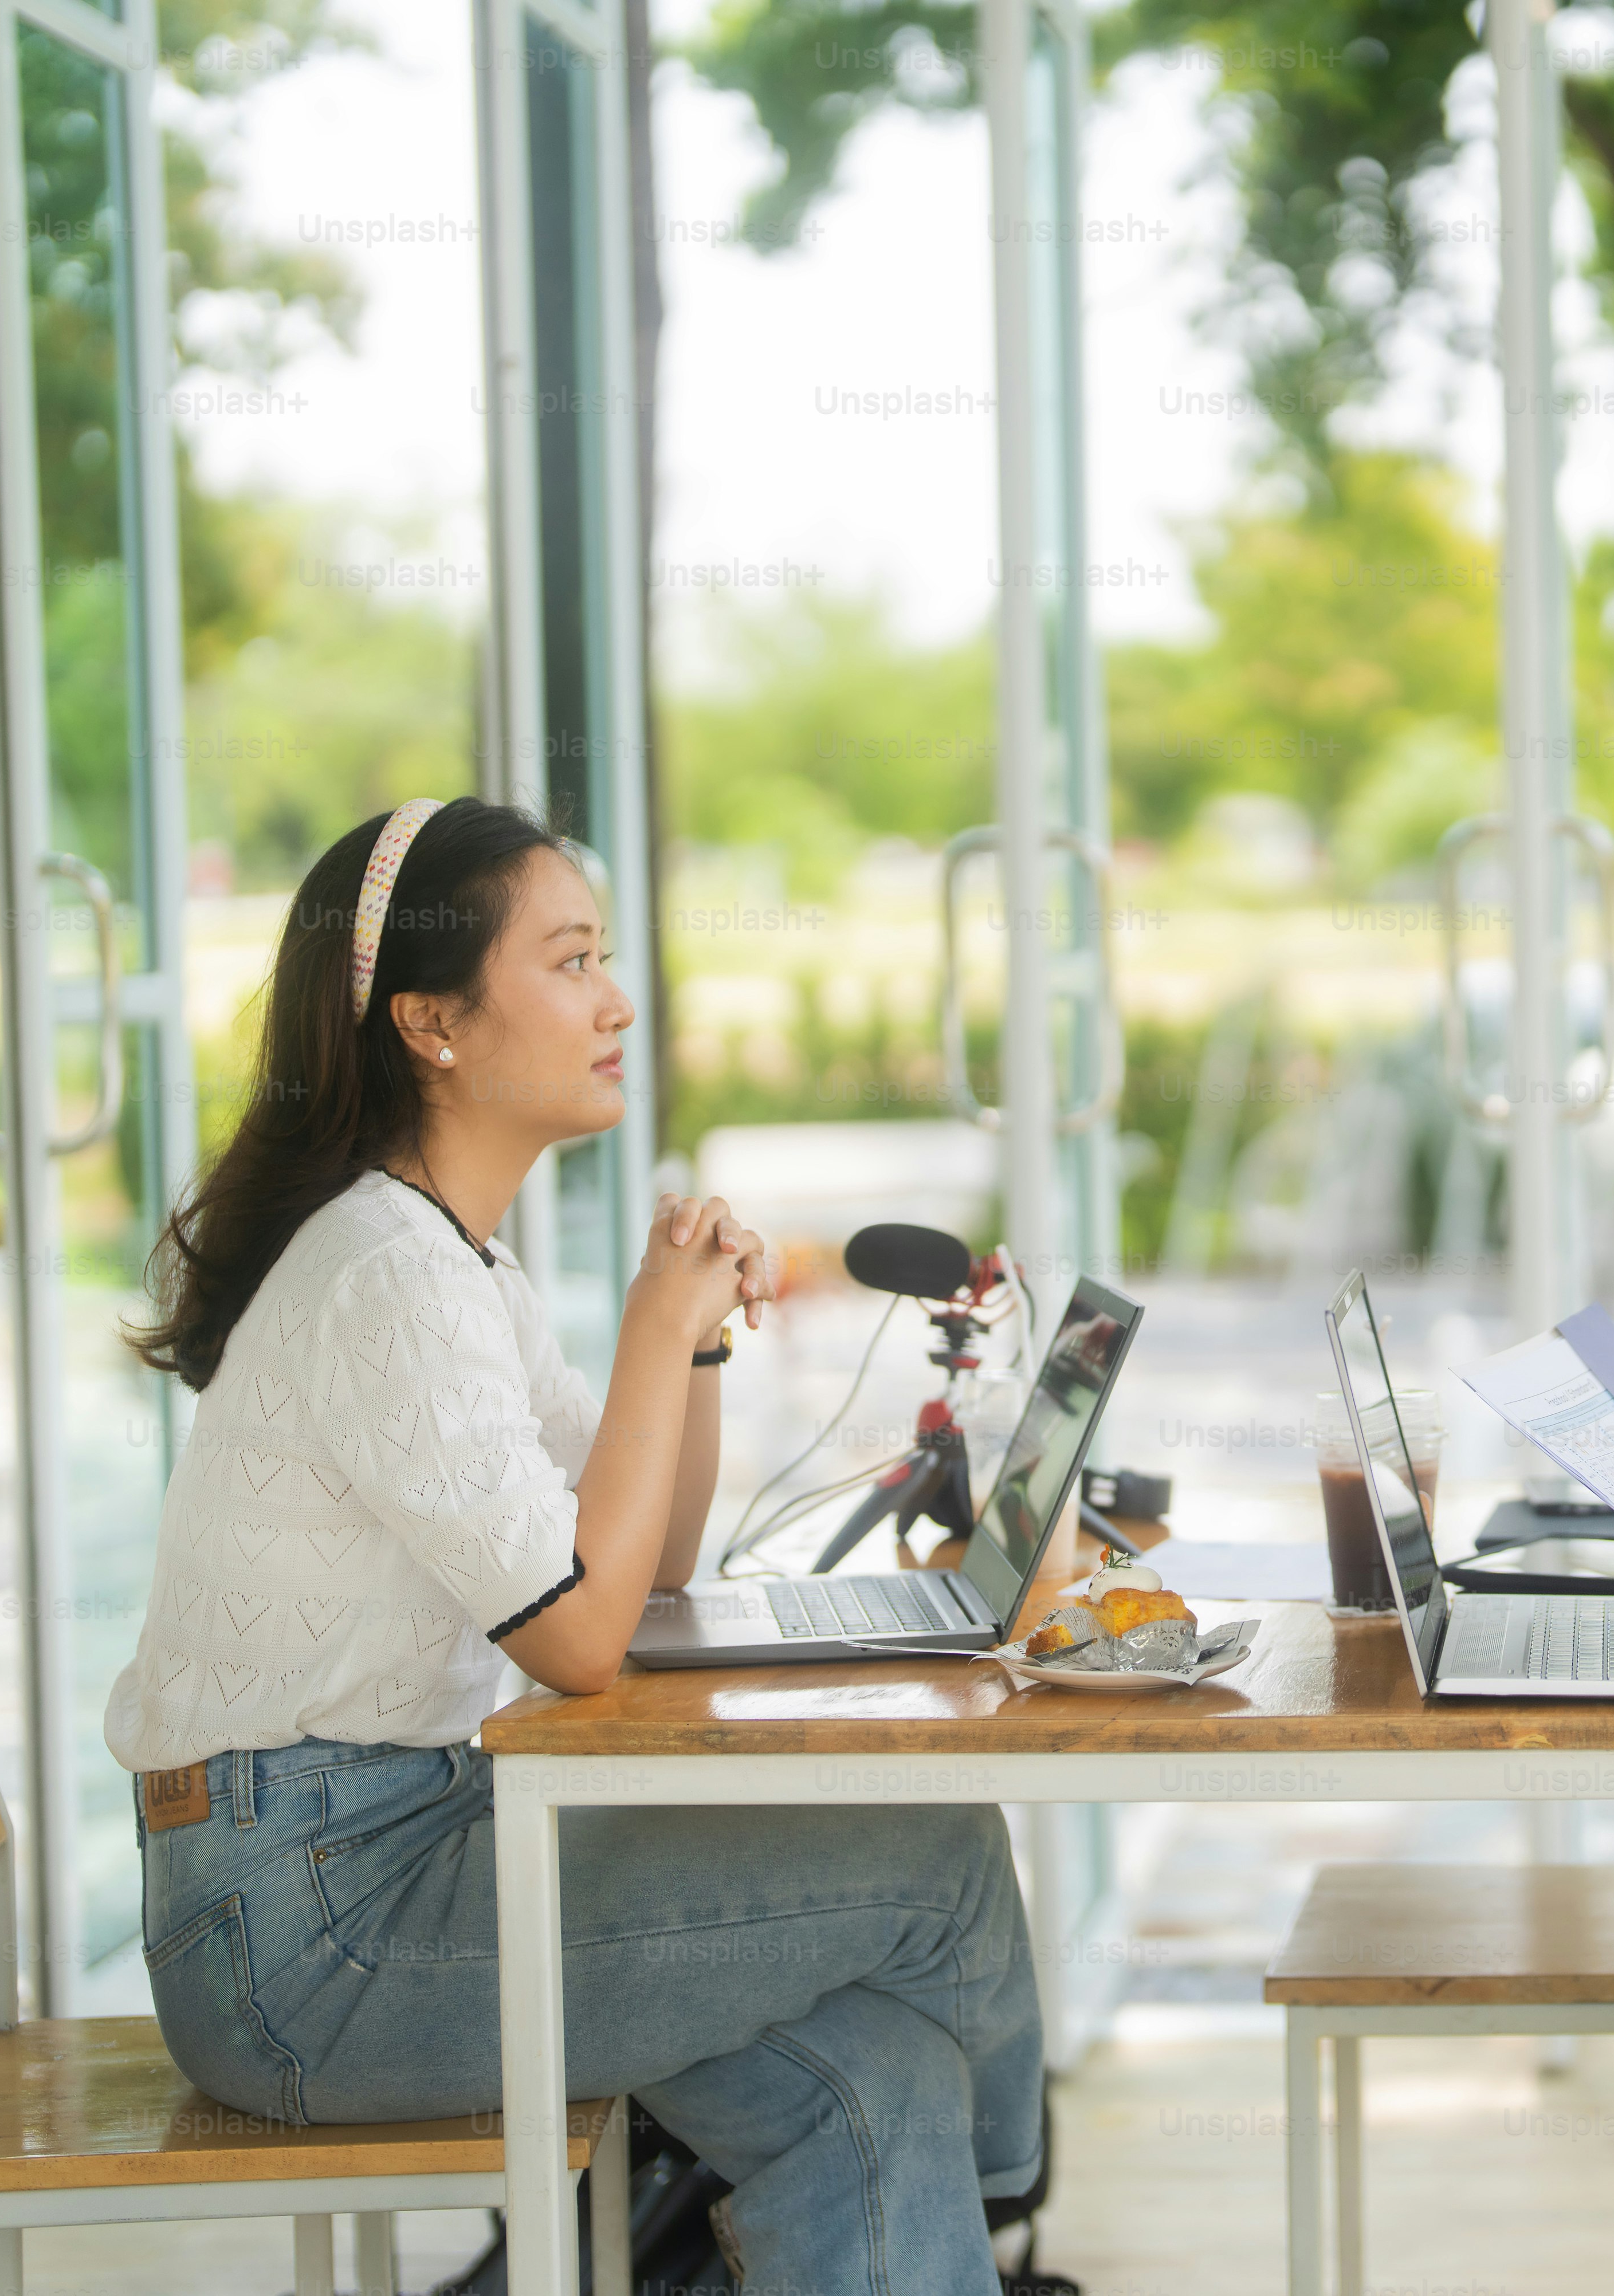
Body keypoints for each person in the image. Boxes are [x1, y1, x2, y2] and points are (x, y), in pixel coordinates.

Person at [105, 797, 1045, 2296]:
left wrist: (690, 1349)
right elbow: (582, 1639)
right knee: (936, 1850)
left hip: (400, 1858)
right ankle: (1015, 2208)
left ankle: (985, 2220)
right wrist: (659, 1331)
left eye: (604, 956)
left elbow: (651, 1564)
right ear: (434, 1024)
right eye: (568, 961)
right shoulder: (383, 1277)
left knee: (869, 2078)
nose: (615, 1000)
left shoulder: (457, 1263)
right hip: (303, 1947)